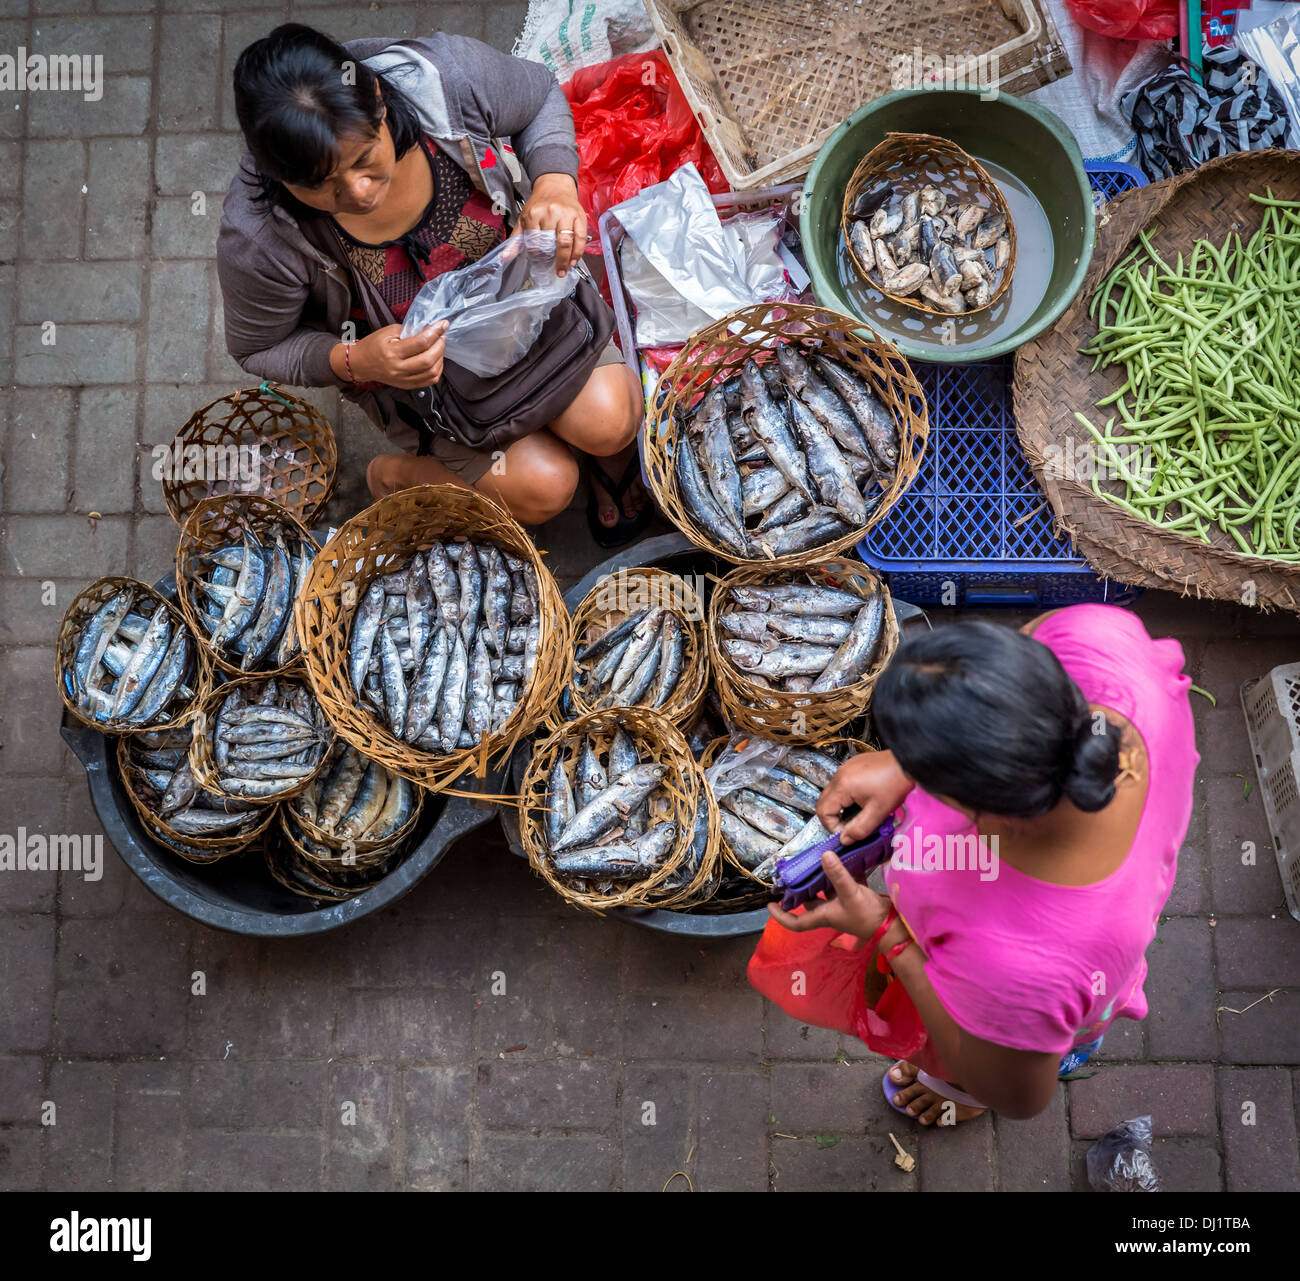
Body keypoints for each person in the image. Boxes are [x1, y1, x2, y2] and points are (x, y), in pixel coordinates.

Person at [757, 605, 1196, 1124]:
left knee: (985, 1065)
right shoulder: (1099, 643)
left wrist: (888, 931)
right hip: (1037, 988)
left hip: (1014, 1026)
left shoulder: (1022, 970)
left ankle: (963, 1091)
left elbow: (1018, 1099)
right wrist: (904, 767)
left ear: (965, 802)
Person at [217, 23, 650, 540]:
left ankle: (592, 444)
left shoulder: (444, 81)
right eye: (321, 185)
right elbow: (257, 347)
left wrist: (554, 182)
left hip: (524, 308)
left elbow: (538, 95)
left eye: (363, 158)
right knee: (546, 486)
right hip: (428, 385)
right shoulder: (259, 236)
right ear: (278, 177)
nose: (357, 192)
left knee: (612, 421)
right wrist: (356, 361)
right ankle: (395, 478)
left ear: (377, 99)